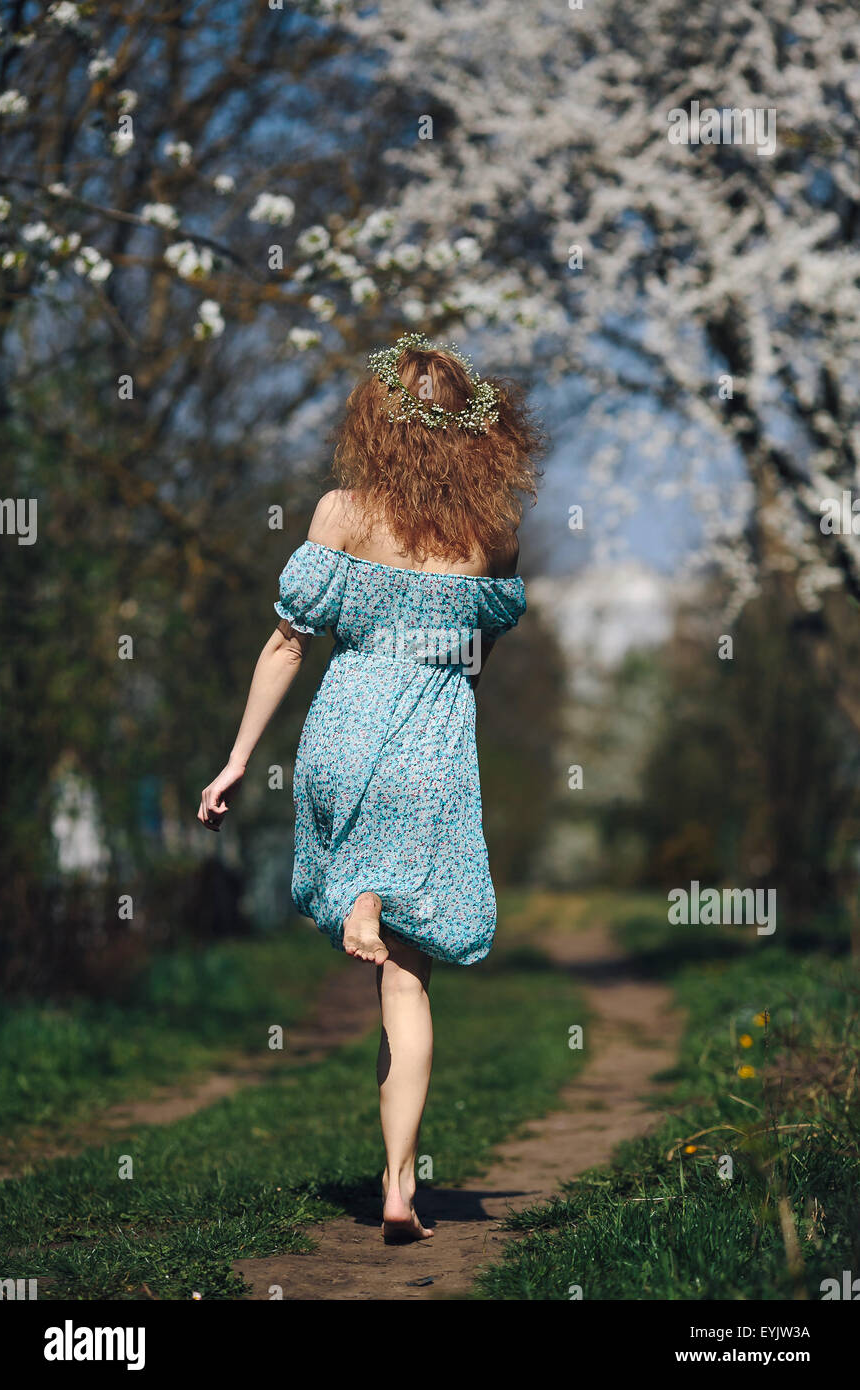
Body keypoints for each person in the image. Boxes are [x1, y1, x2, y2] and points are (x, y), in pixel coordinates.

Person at [198, 332, 542, 1242]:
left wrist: (238, 758)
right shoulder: (495, 533)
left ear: (376, 423)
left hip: (343, 731)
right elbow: (479, 646)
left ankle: (364, 897)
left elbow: (287, 644)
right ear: (477, 429)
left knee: (371, 892)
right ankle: (399, 1187)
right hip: (432, 749)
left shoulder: (342, 513)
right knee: (407, 984)